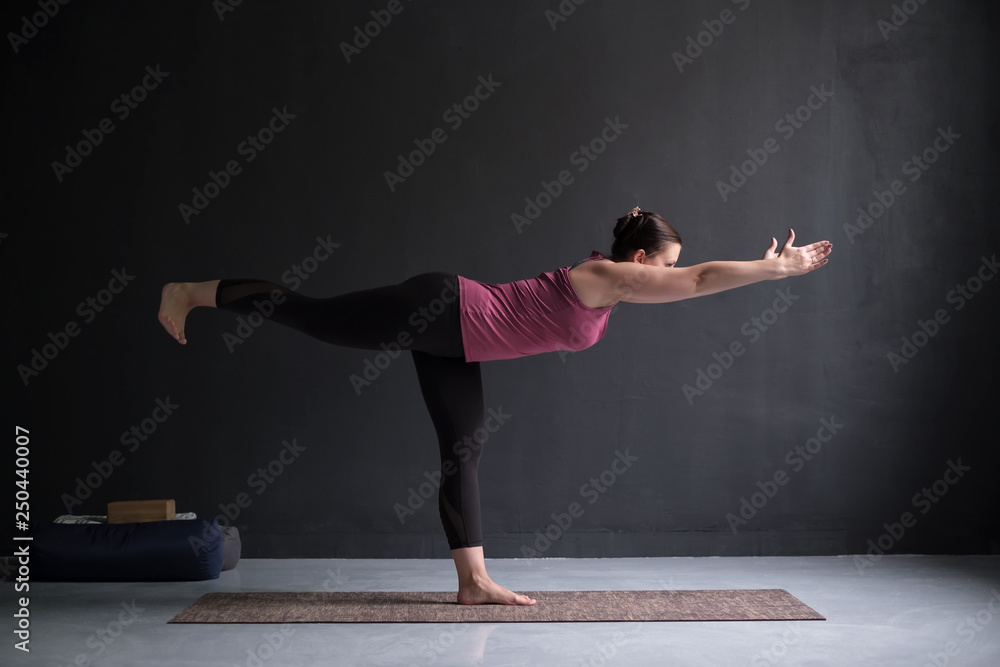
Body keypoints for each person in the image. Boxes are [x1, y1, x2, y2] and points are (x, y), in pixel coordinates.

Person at [157, 207, 833, 606]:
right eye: (665, 263)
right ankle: (191, 291)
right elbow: (701, 278)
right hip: (442, 309)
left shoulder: (612, 288)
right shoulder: (607, 275)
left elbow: (691, 276)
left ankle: (473, 580)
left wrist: (762, 269)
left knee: (464, 449)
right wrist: (774, 269)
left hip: (458, 340)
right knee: (315, 317)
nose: (669, 274)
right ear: (639, 257)